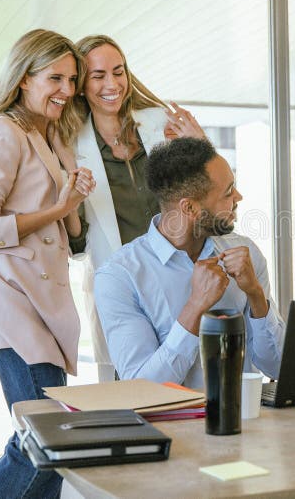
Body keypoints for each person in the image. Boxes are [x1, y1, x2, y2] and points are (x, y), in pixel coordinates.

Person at [0, 29, 95, 498]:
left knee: (50, 447)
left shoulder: (53, 135)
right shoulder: (2, 131)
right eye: (54, 77)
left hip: (43, 306)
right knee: (44, 437)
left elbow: (68, 235)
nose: (67, 89)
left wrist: (73, 204)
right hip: (12, 302)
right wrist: (58, 210)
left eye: (72, 79)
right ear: (23, 78)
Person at [93, 137, 285, 388]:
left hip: (244, 419)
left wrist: (256, 295)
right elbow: (141, 389)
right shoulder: (120, 276)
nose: (238, 197)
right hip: (168, 425)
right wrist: (196, 306)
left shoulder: (245, 252)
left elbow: (277, 366)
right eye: (228, 192)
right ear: (190, 208)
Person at [71, 34, 206, 381]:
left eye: (118, 72)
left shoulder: (159, 123)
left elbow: (210, 192)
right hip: (124, 284)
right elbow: (76, 243)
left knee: (193, 380)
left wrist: (200, 144)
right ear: (81, 85)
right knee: (133, 388)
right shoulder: (71, 144)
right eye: (98, 75)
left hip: (179, 274)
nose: (112, 84)